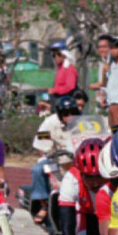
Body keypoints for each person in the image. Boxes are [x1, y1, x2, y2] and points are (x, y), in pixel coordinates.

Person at [28, 95, 79, 223]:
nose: (69, 115)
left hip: (77, 159)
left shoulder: (84, 123)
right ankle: (43, 204)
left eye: (72, 112)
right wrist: (50, 154)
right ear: (59, 113)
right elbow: (41, 144)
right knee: (38, 169)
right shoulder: (50, 122)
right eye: (65, 113)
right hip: (55, 158)